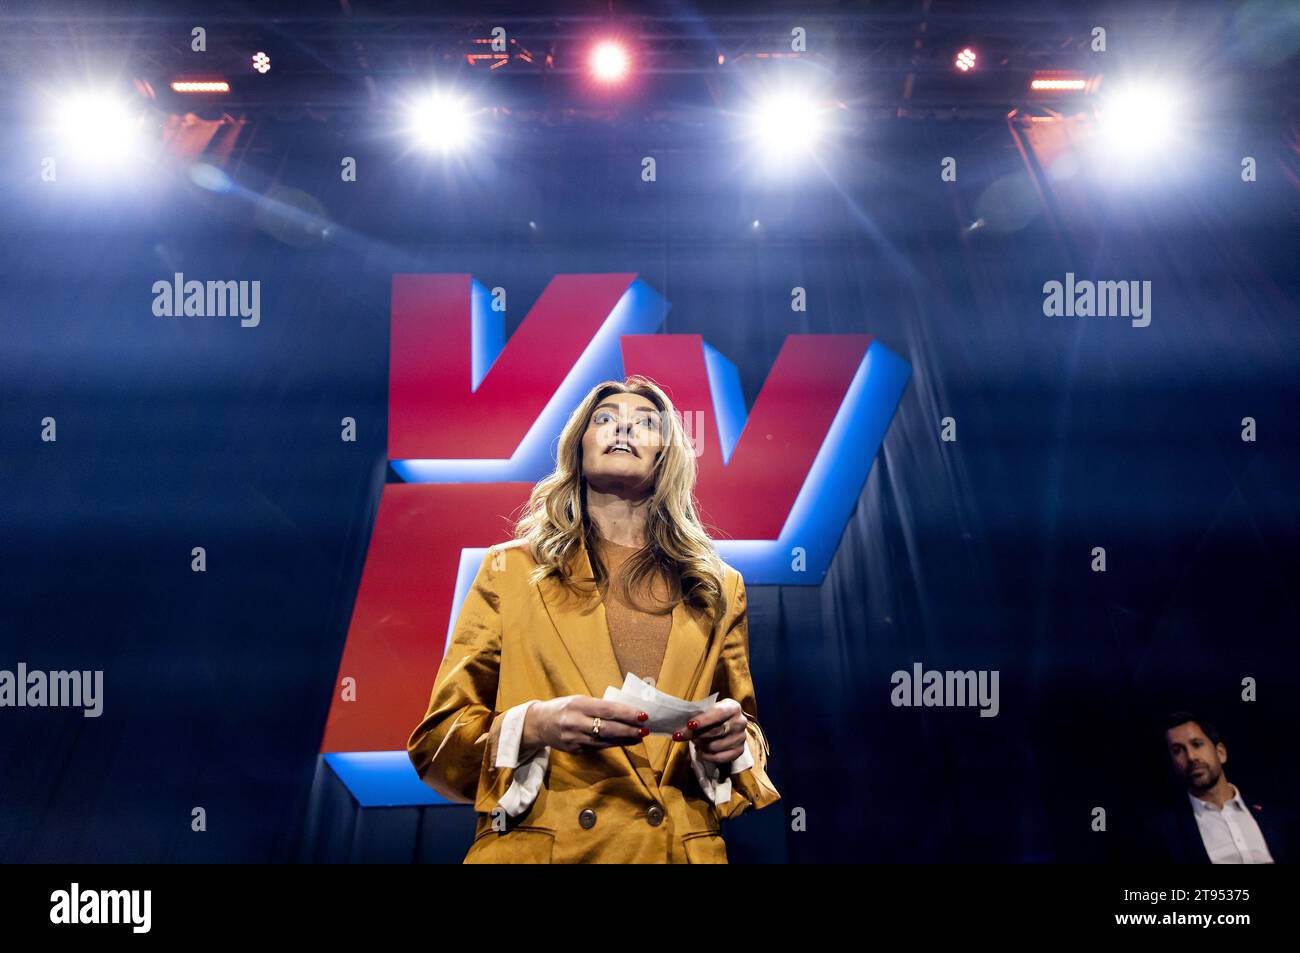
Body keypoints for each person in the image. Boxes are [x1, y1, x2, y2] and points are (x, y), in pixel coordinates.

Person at [407, 375, 780, 863]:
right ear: (578, 445)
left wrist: (732, 742)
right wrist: (535, 725)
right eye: (605, 419)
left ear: (666, 453)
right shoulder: (510, 570)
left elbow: (745, 728)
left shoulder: (716, 586)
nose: (622, 429)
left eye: (645, 423)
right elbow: (437, 743)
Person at [1141, 711, 1290, 863]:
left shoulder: (1274, 815)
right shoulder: (1166, 832)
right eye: (1178, 750)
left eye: (1197, 744)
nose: (1191, 757)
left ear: (1221, 753)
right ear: (1173, 764)